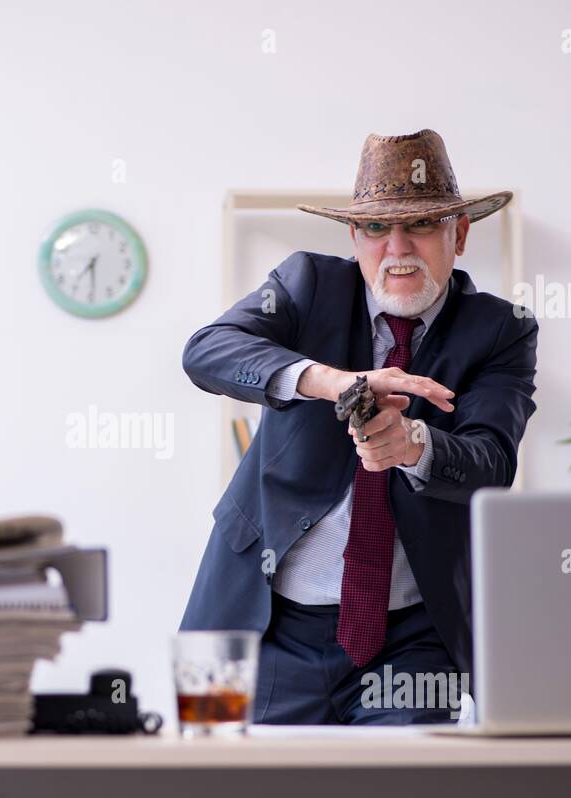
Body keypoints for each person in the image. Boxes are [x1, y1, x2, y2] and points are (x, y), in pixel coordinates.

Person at [180, 129, 538, 725]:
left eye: (420, 226)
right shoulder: (307, 284)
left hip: (413, 643)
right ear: (354, 237)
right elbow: (206, 351)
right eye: (375, 229)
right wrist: (330, 381)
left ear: (460, 233)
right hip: (254, 619)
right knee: (217, 794)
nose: (396, 248)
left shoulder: (503, 330)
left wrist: (414, 444)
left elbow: (492, 461)